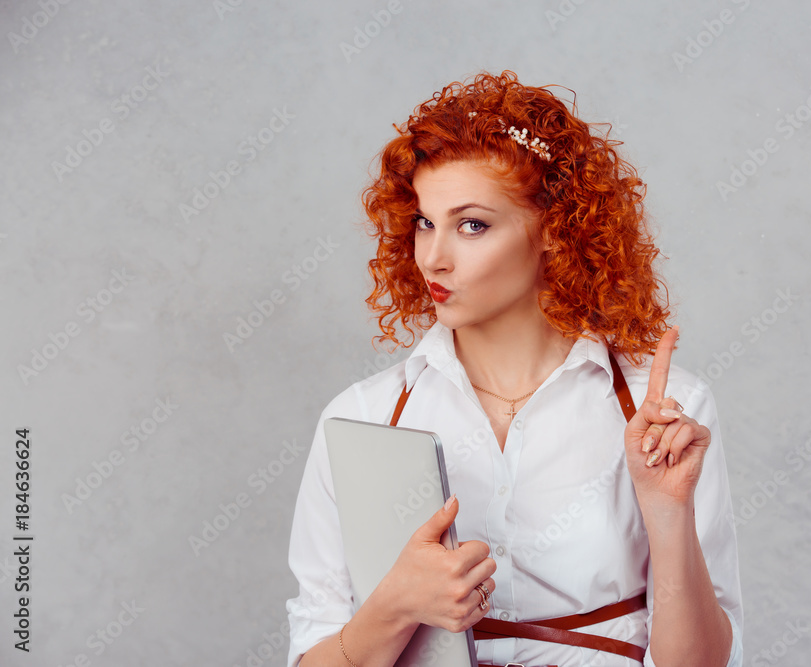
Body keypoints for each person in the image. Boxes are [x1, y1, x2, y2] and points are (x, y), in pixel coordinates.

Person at [285, 70, 742, 667]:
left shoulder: (663, 414)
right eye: (425, 221)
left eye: (471, 225)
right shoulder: (363, 418)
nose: (433, 257)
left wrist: (668, 514)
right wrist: (395, 605)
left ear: (555, 232)